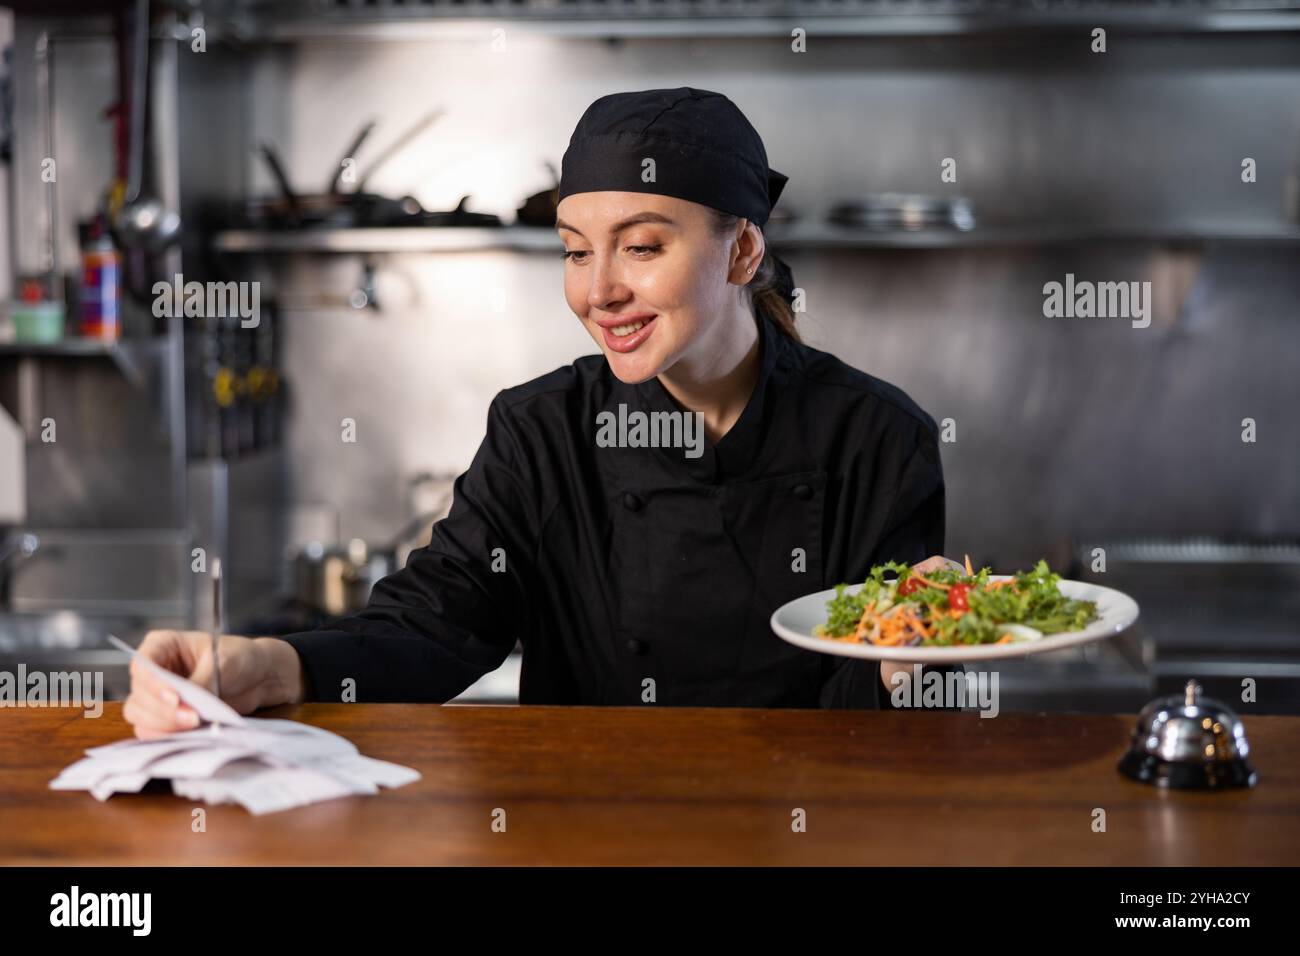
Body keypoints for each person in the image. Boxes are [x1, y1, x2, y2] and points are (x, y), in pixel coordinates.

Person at [125, 87, 964, 739]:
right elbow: (436, 624)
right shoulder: (543, 432)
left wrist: (915, 661)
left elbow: (893, 707)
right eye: (573, 250)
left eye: (641, 246)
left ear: (743, 248)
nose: (598, 291)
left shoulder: (878, 440)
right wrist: (268, 666)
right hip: (586, 831)